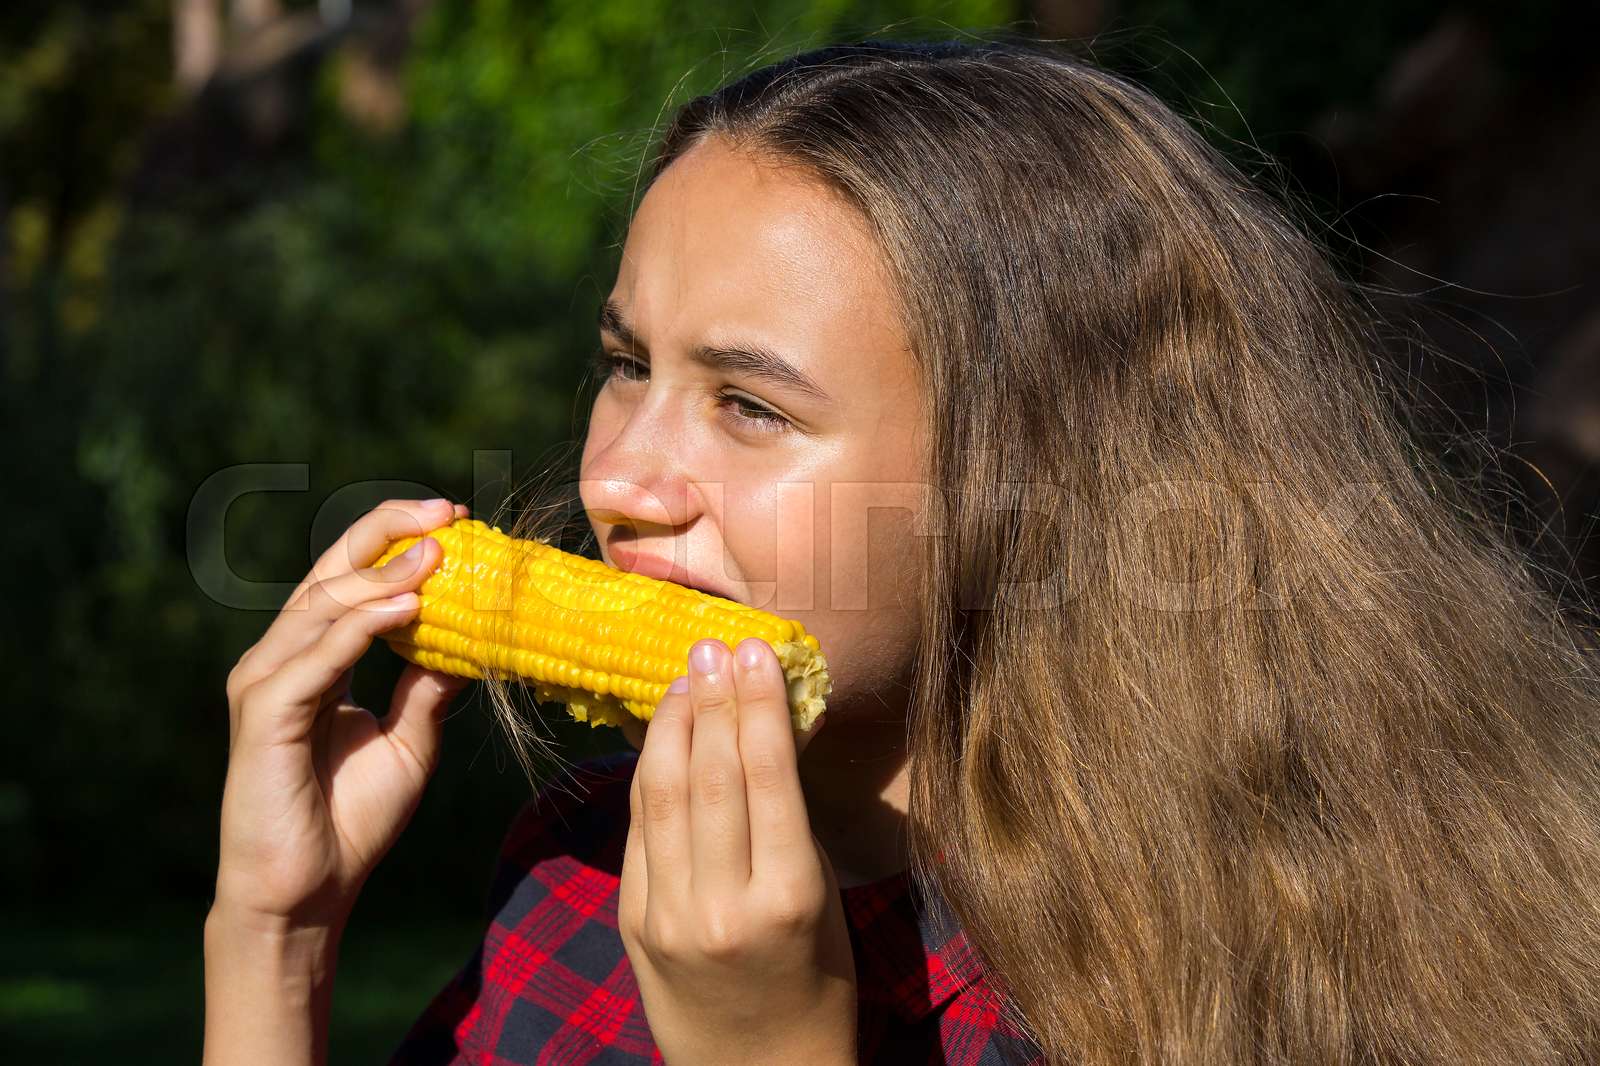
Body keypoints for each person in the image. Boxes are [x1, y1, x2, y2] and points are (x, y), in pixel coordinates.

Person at [203, 37, 1600, 1066]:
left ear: (1044, 481)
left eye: (749, 403)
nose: (619, 479)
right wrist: (275, 936)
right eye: (626, 363)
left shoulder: (1259, 967)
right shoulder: (584, 865)